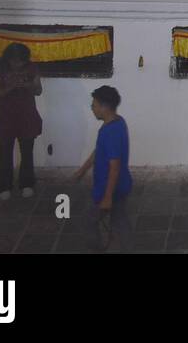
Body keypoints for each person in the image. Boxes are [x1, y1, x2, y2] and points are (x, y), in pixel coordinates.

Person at [72, 85, 134, 251]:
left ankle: (100, 248)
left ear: (104, 107)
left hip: (110, 188)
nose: (92, 108)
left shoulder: (110, 132)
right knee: (119, 221)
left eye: (94, 105)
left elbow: (114, 167)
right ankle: (119, 246)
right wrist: (82, 170)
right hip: (120, 185)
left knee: (89, 221)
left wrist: (107, 197)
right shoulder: (118, 122)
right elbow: (99, 150)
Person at [0, 43, 43, 200]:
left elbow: (38, 90)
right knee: (5, 152)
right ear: (8, 59)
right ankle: (4, 186)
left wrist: (27, 85)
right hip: (6, 116)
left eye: (20, 61)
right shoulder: (0, 68)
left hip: (27, 114)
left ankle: (27, 184)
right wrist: (11, 86)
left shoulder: (32, 68)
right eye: (14, 61)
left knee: (27, 152)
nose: (17, 64)